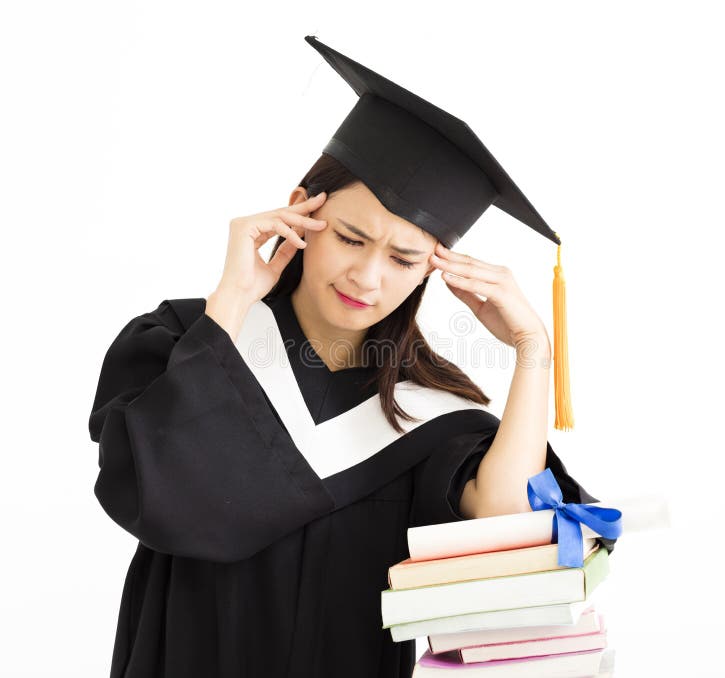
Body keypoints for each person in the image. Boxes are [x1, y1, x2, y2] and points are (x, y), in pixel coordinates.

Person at [88, 36, 615, 678]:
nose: (367, 277)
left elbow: (504, 522)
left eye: (403, 259)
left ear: (431, 270)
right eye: (349, 238)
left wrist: (534, 351)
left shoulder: (425, 415)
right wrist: (230, 301)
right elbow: (145, 491)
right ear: (302, 211)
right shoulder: (180, 338)